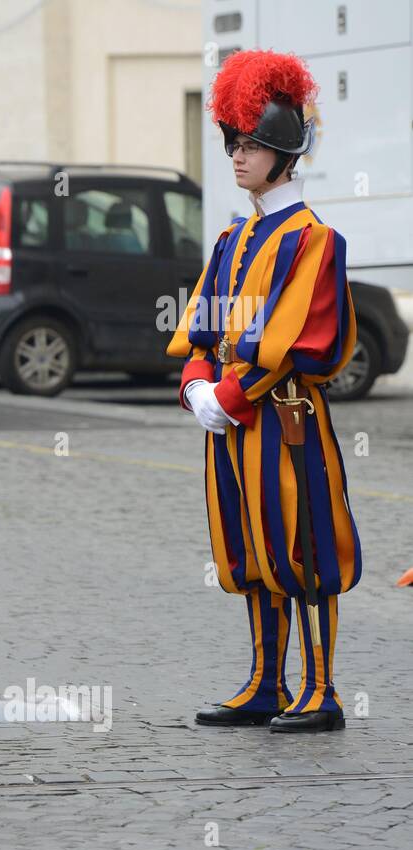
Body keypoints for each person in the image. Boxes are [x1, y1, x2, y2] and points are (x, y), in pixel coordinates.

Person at [167, 50, 361, 733]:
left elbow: (297, 336)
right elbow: (200, 328)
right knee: (248, 550)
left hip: (287, 421)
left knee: (302, 545)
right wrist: (197, 387)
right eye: (235, 143)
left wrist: (230, 393)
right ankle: (266, 681)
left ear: (285, 156)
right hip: (233, 419)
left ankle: (322, 688)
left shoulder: (315, 241)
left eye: (252, 145)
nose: (238, 156)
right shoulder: (231, 239)